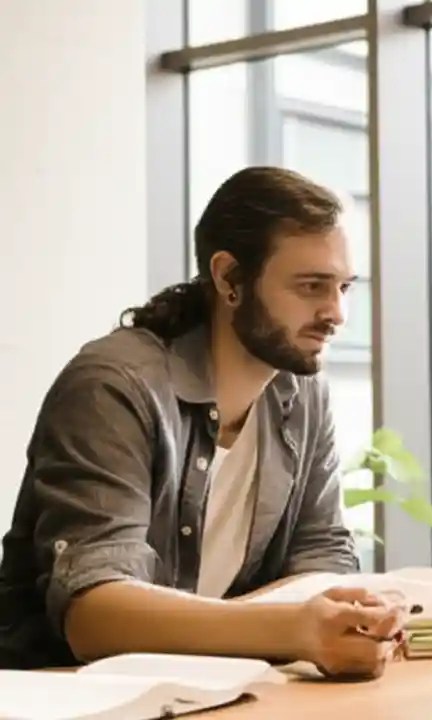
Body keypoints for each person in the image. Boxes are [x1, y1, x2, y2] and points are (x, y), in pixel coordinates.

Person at [0, 166, 406, 675]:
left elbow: (319, 554)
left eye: (345, 286)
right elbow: (93, 613)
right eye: (311, 286)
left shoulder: (300, 391)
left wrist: (347, 620)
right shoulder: (114, 386)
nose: (338, 312)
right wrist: (294, 628)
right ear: (229, 278)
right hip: (71, 697)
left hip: (220, 691)